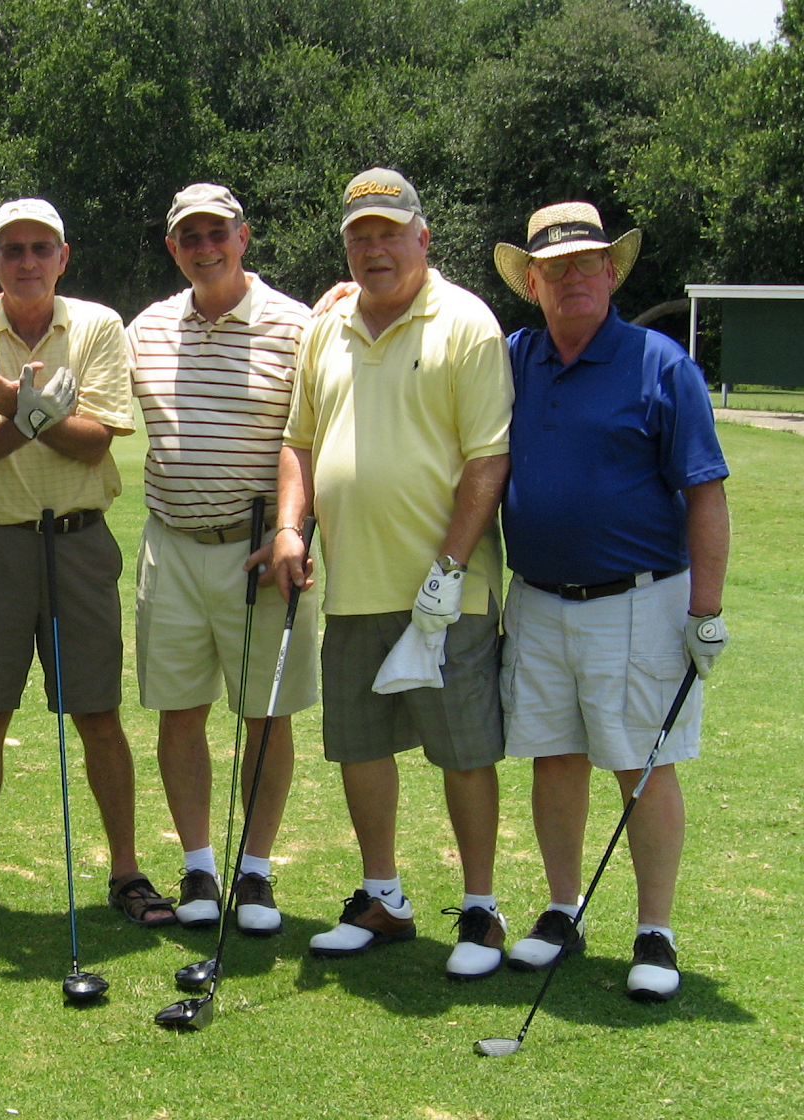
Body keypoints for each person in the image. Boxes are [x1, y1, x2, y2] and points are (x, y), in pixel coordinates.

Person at [260, 168, 514, 978]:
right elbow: (297, 442)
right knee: (361, 749)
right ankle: (383, 897)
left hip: (448, 593)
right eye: (358, 236)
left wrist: (449, 568)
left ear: (422, 238)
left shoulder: (465, 322)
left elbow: (488, 460)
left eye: (388, 233)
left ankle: (479, 910)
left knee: (463, 751)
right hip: (355, 586)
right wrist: (291, 527)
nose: (374, 249)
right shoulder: (324, 329)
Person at [492, 202, 729, 1001]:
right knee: (554, 758)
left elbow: (705, 492)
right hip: (537, 600)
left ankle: (654, 931)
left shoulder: (660, 363)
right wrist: (344, 298)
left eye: (586, 264)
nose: (572, 278)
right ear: (533, 282)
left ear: (610, 273)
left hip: (639, 600)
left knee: (642, 764)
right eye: (555, 268)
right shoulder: (516, 356)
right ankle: (562, 910)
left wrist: (707, 608)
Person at [0, 197, 174, 927]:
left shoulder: (96, 326)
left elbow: (95, 440)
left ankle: (126, 872)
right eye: (13, 250)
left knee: (97, 711)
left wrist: (10, 403)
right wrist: (33, 408)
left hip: (77, 540)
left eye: (41, 249)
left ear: (63, 258)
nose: (27, 261)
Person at [125, 183, 319, 933]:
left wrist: (294, 529)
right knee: (180, 712)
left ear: (244, 237)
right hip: (170, 545)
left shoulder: (298, 326)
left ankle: (257, 871)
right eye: (188, 238)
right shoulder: (146, 328)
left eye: (217, 234)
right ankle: (201, 866)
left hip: (262, 551)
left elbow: (317, 442)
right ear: (173, 249)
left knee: (265, 718)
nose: (204, 248)